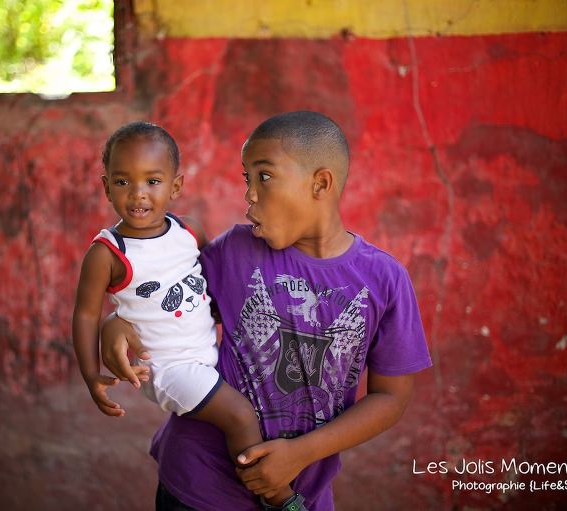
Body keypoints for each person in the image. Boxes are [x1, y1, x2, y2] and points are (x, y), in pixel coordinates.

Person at [100, 111, 433, 510]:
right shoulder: (236, 251)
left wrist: (302, 453)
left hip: (301, 494)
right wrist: (115, 322)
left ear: (320, 183)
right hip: (199, 485)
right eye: (247, 179)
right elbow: (170, 305)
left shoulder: (384, 280)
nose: (250, 195)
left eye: (265, 176)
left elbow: (391, 398)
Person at [71, 121, 301, 510]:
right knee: (240, 416)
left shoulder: (187, 232)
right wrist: (91, 374)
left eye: (152, 181)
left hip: (204, 353)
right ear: (106, 187)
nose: (138, 193)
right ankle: (278, 497)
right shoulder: (108, 253)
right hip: (167, 366)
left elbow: (213, 283)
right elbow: (85, 314)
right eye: (123, 182)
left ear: (175, 186)